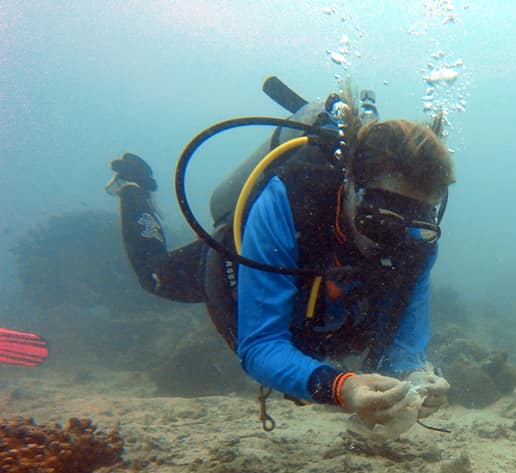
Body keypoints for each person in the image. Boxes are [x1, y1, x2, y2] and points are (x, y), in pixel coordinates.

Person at [105, 88, 455, 431]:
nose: (394, 242)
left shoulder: (417, 241)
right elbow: (261, 343)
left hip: (324, 315)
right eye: (380, 222)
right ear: (350, 187)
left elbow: (404, 347)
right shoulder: (292, 199)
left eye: (413, 225)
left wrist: (416, 376)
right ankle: (132, 186)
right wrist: (341, 387)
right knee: (155, 275)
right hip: (237, 271)